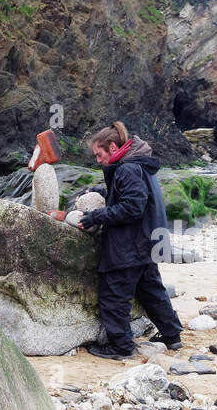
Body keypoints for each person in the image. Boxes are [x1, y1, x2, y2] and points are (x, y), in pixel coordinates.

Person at [78, 121, 183, 360]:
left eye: (99, 154)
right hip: (149, 240)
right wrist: (101, 193)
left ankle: (121, 347)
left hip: (132, 244)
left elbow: (132, 207)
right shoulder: (136, 164)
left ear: (113, 148)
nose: (98, 160)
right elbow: (130, 196)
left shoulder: (127, 168)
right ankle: (172, 335)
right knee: (151, 290)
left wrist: (95, 216)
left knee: (114, 294)